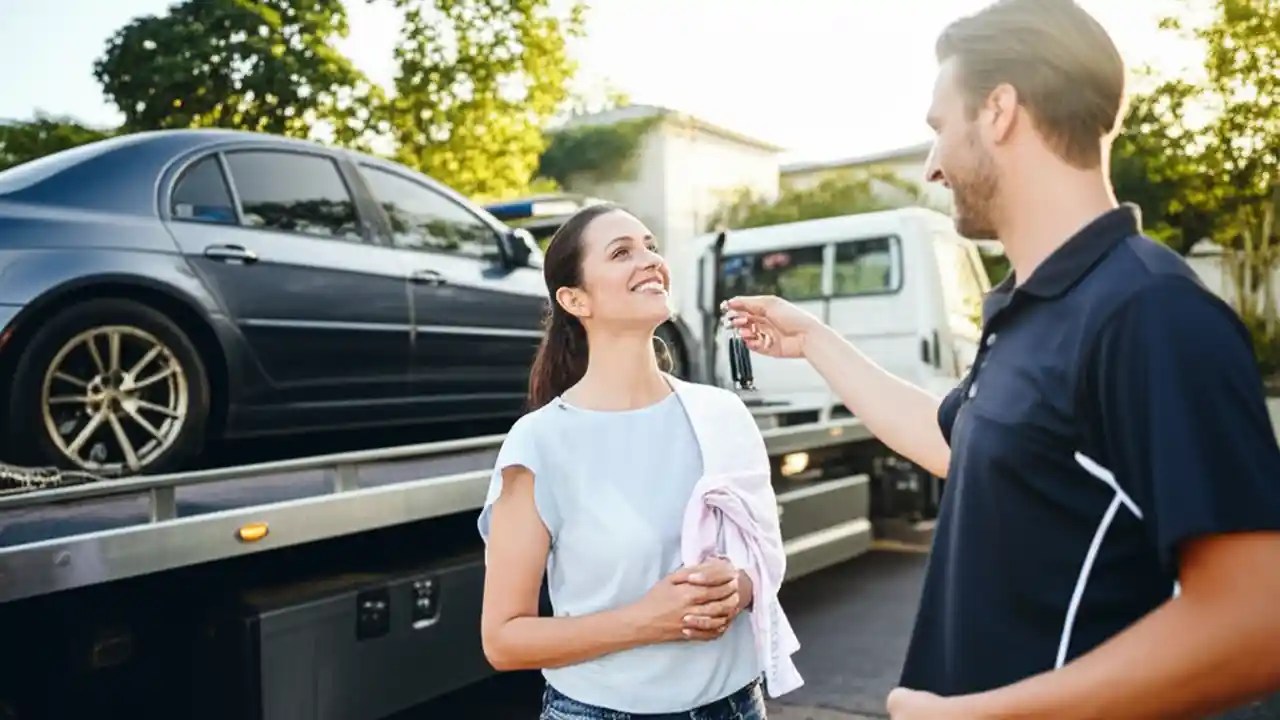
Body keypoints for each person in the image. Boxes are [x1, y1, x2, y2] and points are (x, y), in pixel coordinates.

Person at [724, 1, 1280, 718]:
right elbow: (958, 446)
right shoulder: (1033, 308)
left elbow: (1256, 620)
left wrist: (979, 714)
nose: (932, 165)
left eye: (938, 127)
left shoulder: (1148, 312)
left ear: (999, 111)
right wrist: (815, 342)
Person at [476, 203, 780, 720]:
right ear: (575, 299)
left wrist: (737, 590)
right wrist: (646, 621)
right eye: (621, 253)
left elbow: (766, 557)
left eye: (651, 247)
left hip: (736, 705)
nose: (650, 261)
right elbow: (503, 640)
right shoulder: (541, 442)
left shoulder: (721, 413)